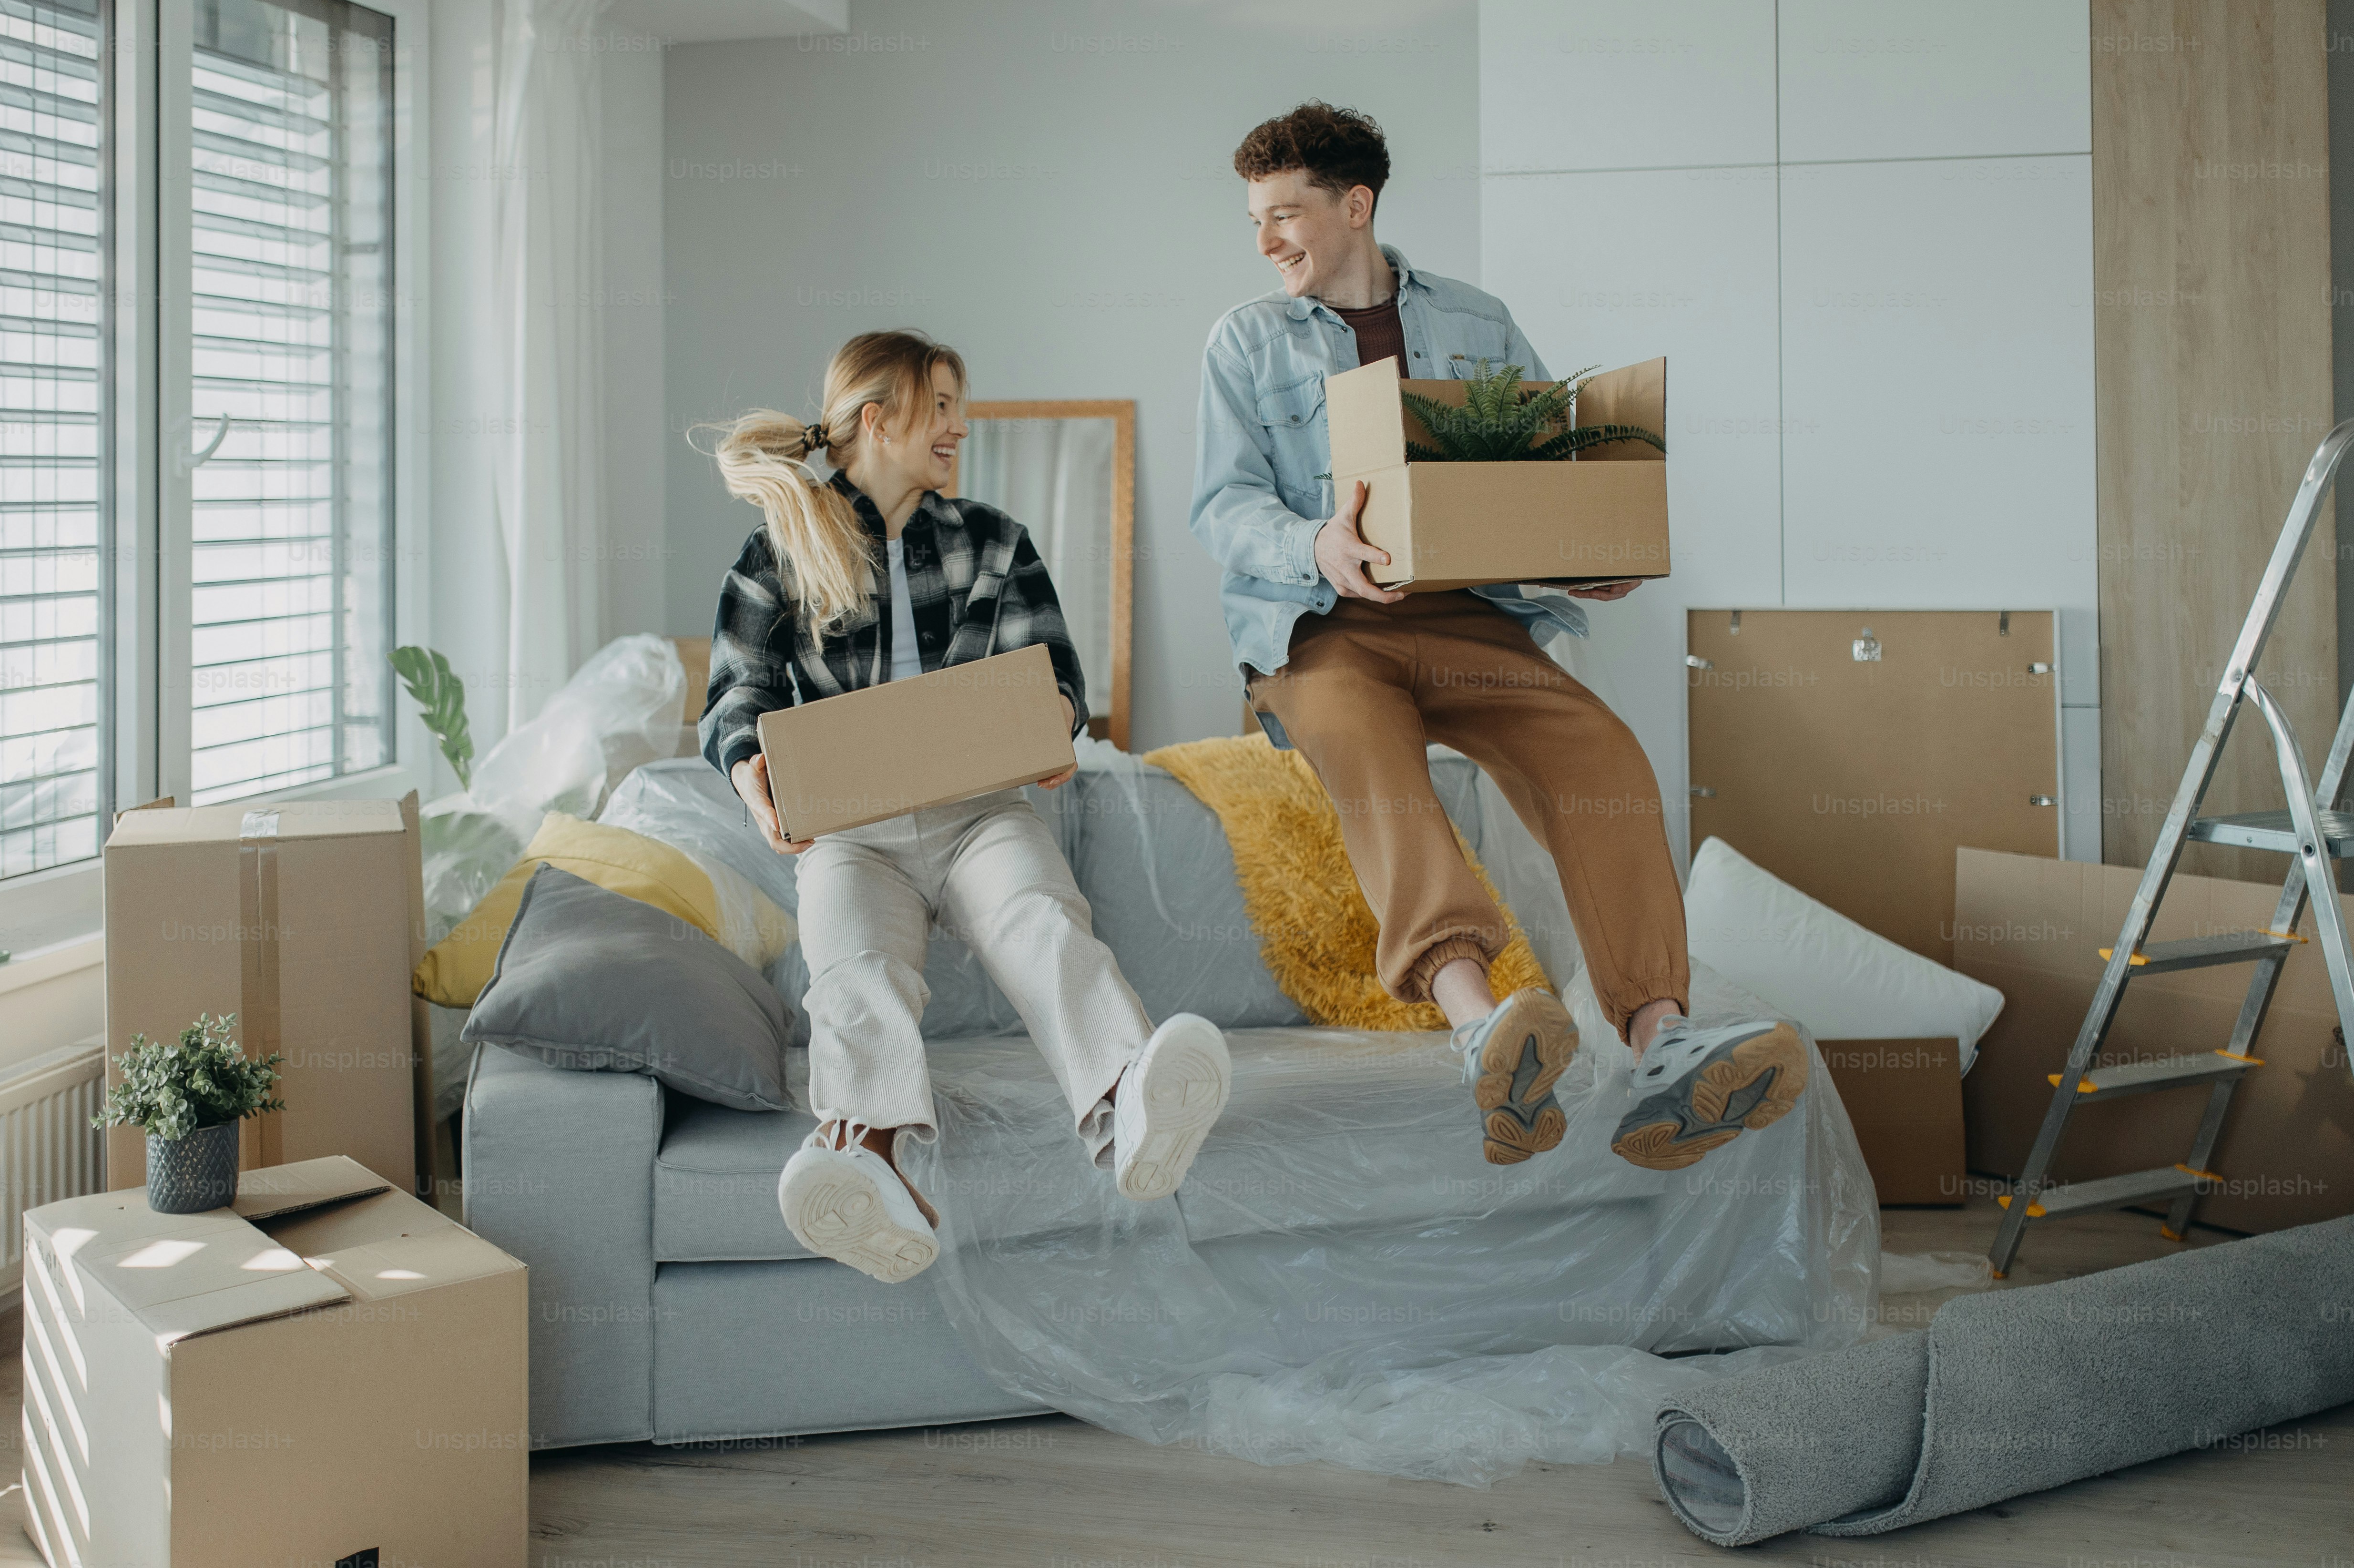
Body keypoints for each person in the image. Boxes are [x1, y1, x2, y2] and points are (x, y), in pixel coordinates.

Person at [1190, 102, 1806, 1171]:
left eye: (1283, 214)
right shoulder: (1244, 340)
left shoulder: (1478, 321)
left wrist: (1582, 554)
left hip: (1473, 615)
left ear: (1355, 204)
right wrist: (1316, 544)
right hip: (1324, 626)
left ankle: (1663, 1043)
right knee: (1372, 762)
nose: (1265, 241)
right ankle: (1485, 1024)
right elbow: (1221, 506)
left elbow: (1536, 480)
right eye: (1254, 220)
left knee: (1601, 755)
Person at [703, 328, 1231, 1283]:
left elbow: (1056, 674)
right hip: (851, 830)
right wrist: (752, 776)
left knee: (1042, 922)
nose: (959, 425)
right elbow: (735, 698)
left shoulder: (996, 541)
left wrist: (1052, 722)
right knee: (854, 971)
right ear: (879, 417)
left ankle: (1131, 1107)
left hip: (979, 812)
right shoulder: (778, 547)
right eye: (941, 406)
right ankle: (869, 1167)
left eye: (958, 405)